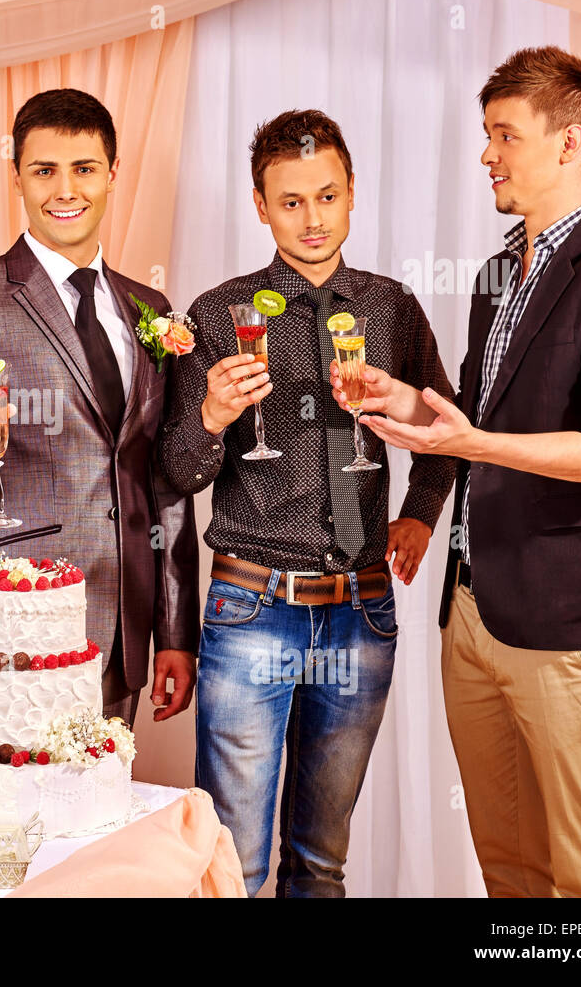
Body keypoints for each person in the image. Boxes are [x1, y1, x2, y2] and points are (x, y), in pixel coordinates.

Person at [334, 47, 581, 897]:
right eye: (487, 135)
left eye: (504, 135)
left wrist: (468, 445)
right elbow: (474, 411)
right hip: (472, 611)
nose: (487, 155)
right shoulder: (495, 276)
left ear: (569, 143)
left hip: (569, 622)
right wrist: (403, 397)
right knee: (509, 871)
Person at [161, 110, 456, 897]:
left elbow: (446, 427)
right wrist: (213, 420)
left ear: (353, 193)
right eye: (291, 201)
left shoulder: (391, 308)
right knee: (233, 867)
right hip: (251, 605)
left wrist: (421, 512)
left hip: (362, 610)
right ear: (259, 206)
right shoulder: (218, 316)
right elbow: (179, 472)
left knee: (320, 866)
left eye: (327, 196)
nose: (313, 217)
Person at [0, 88, 199, 724]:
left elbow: (164, 479)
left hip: (124, 627)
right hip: (12, 625)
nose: (66, 190)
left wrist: (175, 631)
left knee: (97, 814)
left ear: (113, 175)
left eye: (84, 169)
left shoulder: (150, 307)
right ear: (17, 178)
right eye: (44, 171)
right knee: (7, 814)